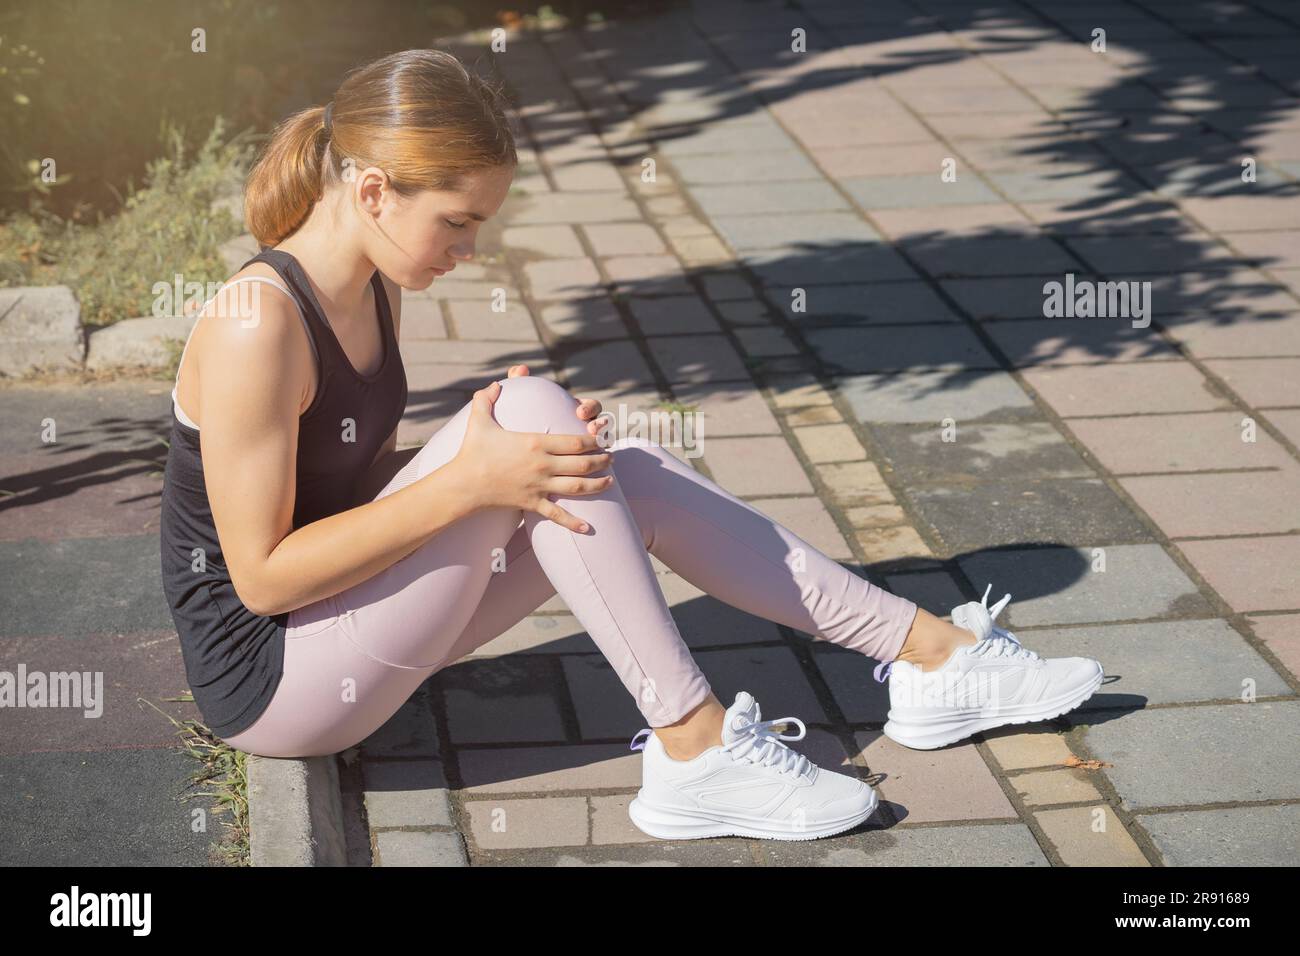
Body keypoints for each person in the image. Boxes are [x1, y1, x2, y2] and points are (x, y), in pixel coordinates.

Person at [159, 49, 1103, 843]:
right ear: (371, 190)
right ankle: (693, 750)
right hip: (276, 686)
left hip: (340, 636)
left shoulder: (373, 286)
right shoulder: (257, 325)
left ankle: (929, 658)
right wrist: (472, 481)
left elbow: (353, 500)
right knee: (532, 422)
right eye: (458, 222)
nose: (471, 251)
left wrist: (510, 469)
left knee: (617, 468)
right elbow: (265, 580)